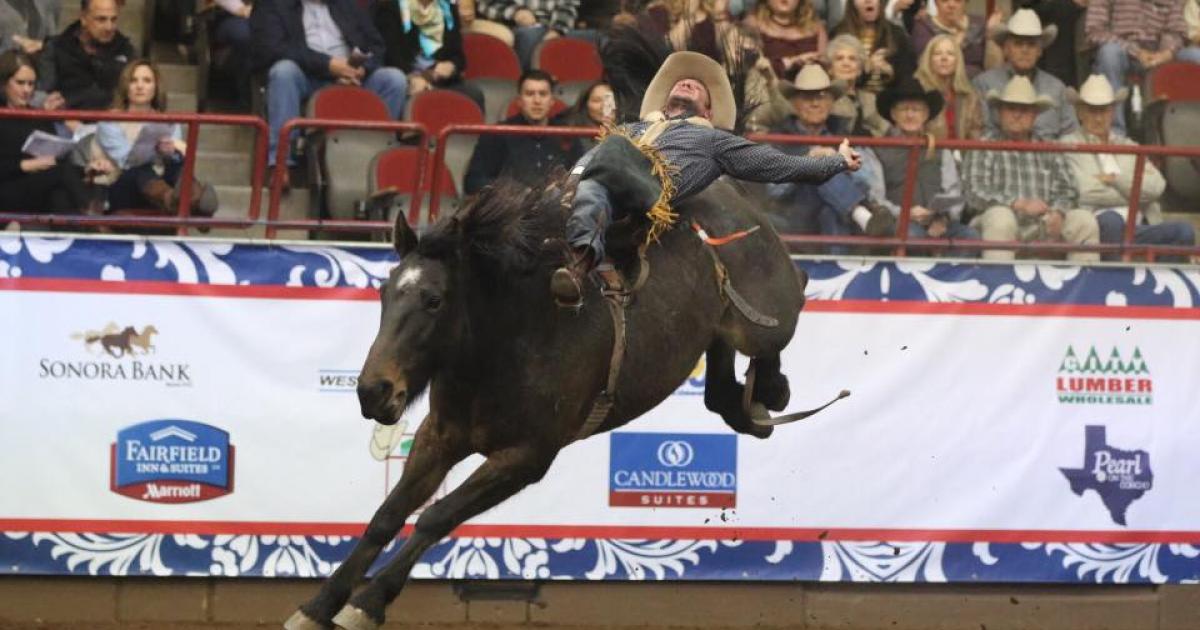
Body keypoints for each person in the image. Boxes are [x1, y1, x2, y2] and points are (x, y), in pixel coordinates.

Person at [550, 51, 861, 305]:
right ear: (666, 99)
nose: (687, 82)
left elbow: (778, 164)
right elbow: (592, 161)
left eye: (697, 87)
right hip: (604, 185)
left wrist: (836, 162)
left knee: (610, 153)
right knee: (588, 184)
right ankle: (575, 254)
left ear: (709, 113)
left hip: (652, 192)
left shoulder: (714, 141)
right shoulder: (632, 129)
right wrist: (572, 180)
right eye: (681, 82)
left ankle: (577, 249)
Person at [250, 0, 408, 168]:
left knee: (394, 79)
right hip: (307, 76)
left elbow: (377, 45)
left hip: (353, 77)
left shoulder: (346, 4)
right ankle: (282, 162)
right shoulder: (274, 4)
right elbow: (274, 49)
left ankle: (375, 158)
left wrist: (362, 69)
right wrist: (328, 66)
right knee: (283, 71)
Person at [961, 75, 1099, 262]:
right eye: (1011, 108)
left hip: (1045, 225)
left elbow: (1068, 190)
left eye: (1025, 110)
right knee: (1000, 217)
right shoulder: (984, 146)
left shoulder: (1049, 147)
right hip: (997, 225)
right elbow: (974, 193)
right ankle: (998, 278)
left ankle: (1085, 280)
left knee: (1084, 220)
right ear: (1000, 112)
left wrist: (1058, 212)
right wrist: (1017, 203)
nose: (1017, 115)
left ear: (1035, 115)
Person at [1061, 74, 1195, 261]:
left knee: (1184, 231)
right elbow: (1085, 191)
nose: (1099, 118)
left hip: (1140, 226)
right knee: (1111, 220)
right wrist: (1137, 194)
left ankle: (1159, 279)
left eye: (1104, 111)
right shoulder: (1069, 145)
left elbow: (1157, 186)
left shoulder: (1129, 145)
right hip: (1097, 226)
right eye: (1092, 111)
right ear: (1080, 112)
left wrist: (1115, 180)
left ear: (1112, 112)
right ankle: (1115, 278)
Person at [762, 64, 886, 240]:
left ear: (831, 103)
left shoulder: (846, 132)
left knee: (831, 212)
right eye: (807, 98)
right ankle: (861, 214)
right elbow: (774, 189)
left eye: (821, 97)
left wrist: (843, 161)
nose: (815, 103)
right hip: (794, 214)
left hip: (836, 214)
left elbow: (868, 182)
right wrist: (805, 162)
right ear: (794, 104)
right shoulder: (778, 137)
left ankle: (855, 213)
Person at [90, 60, 217, 216]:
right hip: (122, 184)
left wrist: (170, 153)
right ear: (125, 86)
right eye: (133, 80)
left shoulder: (167, 121)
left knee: (178, 163)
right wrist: (154, 152)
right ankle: (191, 206)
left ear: (156, 87)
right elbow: (125, 161)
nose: (140, 86)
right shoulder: (110, 120)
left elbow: (174, 159)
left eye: (147, 81)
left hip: (160, 181)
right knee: (141, 169)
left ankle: (189, 200)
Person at [871, 76, 979, 250]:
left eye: (916, 109)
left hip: (937, 221)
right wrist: (905, 214)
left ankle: (947, 270)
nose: (910, 114)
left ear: (926, 115)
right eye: (904, 109)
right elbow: (876, 198)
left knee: (970, 237)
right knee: (914, 236)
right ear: (893, 114)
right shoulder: (877, 149)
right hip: (898, 221)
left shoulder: (941, 150)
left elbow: (953, 190)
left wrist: (942, 218)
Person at [464, 69, 583, 193]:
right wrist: (513, 191)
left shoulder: (567, 134)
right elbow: (473, 182)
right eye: (530, 94)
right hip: (510, 203)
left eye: (543, 94)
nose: (537, 101)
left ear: (552, 101)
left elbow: (582, 176)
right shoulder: (497, 134)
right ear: (519, 101)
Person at [0, 50, 90, 215]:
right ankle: (94, 217)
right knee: (61, 173)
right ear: (4, 82)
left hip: (38, 184)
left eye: (31, 84)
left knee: (60, 196)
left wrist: (86, 170)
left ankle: (85, 226)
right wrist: (25, 165)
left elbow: (54, 156)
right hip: (7, 187)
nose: (27, 90)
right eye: (20, 83)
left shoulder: (37, 115)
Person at [1086, 0, 1189, 135]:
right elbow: (1095, 31)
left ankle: (1177, 136)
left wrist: (1164, 54)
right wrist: (1135, 51)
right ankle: (1115, 133)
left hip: (1158, 50)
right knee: (1109, 53)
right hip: (1120, 47)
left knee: (1194, 57)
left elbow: (1176, 31)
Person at [972, 9, 1077, 139]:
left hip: (1048, 151)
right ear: (1006, 49)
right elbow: (979, 132)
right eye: (1018, 44)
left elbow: (1071, 135)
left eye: (1031, 44)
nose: (1025, 50)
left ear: (1039, 51)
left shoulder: (1057, 88)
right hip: (997, 151)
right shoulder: (984, 84)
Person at [374, 0, 485, 110]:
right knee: (418, 97)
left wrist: (451, 66)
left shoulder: (448, 9)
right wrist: (413, 78)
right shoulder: (390, 8)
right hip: (409, 78)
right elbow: (391, 57)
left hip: (440, 80)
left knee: (473, 95)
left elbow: (459, 57)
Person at [52, 0, 134, 110]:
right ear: (83, 18)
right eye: (101, 19)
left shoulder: (126, 50)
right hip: (67, 117)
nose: (109, 27)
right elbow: (43, 94)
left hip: (114, 117)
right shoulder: (58, 48)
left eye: (113, 19)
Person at [476, 0, 590, 70]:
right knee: (530, 36)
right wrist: (516, 12)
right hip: (514, 24)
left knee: (592, 37)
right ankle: (527, 84)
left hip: (555, 26)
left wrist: (557, 30)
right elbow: (486, 3)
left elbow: (568, 6)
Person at [832, 0, 916, 94]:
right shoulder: (839, 34)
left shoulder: (896, 34)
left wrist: (892, 73)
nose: (868, 1)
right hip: (852, 99)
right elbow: (838, 82)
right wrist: (867, 68)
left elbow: (908, 76)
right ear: (852, 3)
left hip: (888, 99)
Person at [915, 32, 983, 140]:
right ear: (928, 59)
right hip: (927, 149)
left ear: (957, 60)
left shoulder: (970, 97)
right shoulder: (916, 92)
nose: (944, 58)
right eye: (937, 53)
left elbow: (976, 133)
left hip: (962, 150)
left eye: (950, 54)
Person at [911, 0, 1000, 78]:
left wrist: (991, 35)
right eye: (945, 0)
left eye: (957, 0)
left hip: (978, 83)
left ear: (965, 3)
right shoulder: (924, 26)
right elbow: (927, 65)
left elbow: (994, 68)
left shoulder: (979, 23)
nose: (951, 5)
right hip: (941, 84)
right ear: (936, 2)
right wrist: (961, 34)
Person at [741, 0, 826, 81]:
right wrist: (789, 62)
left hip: (809, 88)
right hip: (769, 88)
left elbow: (825, 66)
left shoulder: (816, 28)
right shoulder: (753, 25)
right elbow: (751, 70)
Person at [824, 33, 886, 136]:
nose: (846, 63)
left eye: (852, 59)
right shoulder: (823, 97)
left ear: (860, 69)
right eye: (839, 58)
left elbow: (885, 131)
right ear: (830, 68)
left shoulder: (869, 99)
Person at [210, 0, 254, 107]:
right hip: (231, 15)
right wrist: (241, 9)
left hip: (269, 17)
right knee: (244, 35)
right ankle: (245, 96)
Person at [564, 81, 614, 149]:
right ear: (585, 104)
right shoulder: (573, 134)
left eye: (609, 100)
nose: (603, 106)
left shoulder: (626, 129)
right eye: (596, 100)